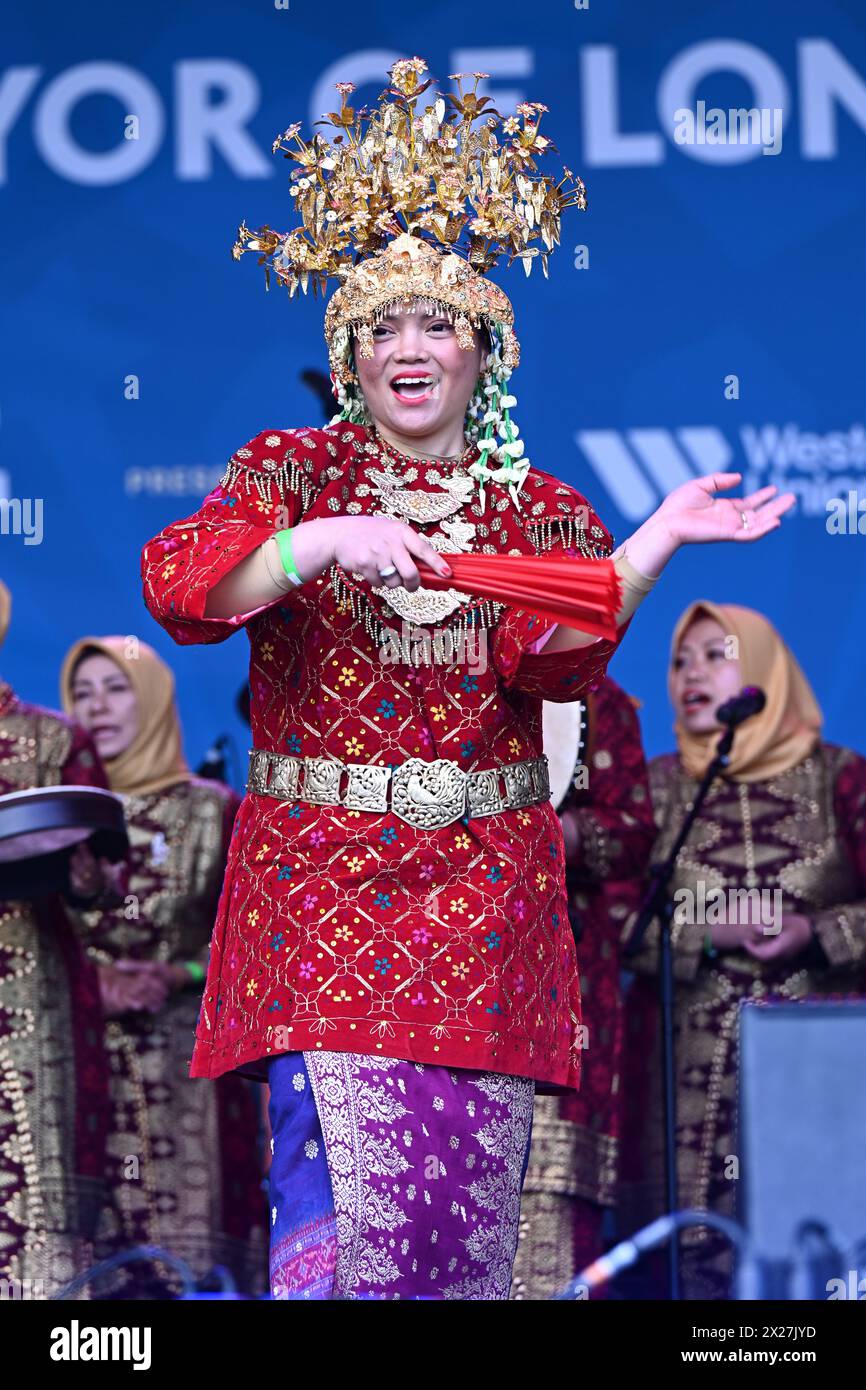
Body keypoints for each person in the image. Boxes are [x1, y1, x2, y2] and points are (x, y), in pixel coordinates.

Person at [140, 59, 793, 1300]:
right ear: (348, 354)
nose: (406, 346)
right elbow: (182, 588)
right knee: (338, 1226)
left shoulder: (532, 508)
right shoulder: (292, 472)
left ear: (481, 347)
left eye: (434, 321)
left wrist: (648, 540)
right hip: (319, 896)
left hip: (479, 914)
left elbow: (553, 657)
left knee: (456, 1252)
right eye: (378, 325)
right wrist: (316, 543)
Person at [619, 601, 866, 1299]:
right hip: (677, 1086)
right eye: (678, 660)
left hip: (822, 1083)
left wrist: (816, 933)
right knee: (689, 1272)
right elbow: (611, 928)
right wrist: (707, 933)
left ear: (764, 670)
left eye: (716, 654)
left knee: (821, 1261)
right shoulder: (659, 791)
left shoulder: (840, 779)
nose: (691, 672)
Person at [61, 637, 267, 1298]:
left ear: (150, 700)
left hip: (193, 1071)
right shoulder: (59, 818)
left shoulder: (213, 810)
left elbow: (255, 939)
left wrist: (179, 972)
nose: (98, 707)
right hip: (83, 1063)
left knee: (196, 1270)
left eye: (116, 688)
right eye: (83, 693)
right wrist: (94, 981)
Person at [510, 678, 655, 1299]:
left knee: (553, 1199)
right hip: (436, 981)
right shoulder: (430, 667)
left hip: (561, 978)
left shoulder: (602, 701)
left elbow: (632, 831)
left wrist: (561, 834)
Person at [0, 580, 112, 1297]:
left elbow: (107, 889)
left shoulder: (53, 740)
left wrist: (86, 874)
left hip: (29, 998)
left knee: (36, 1188)